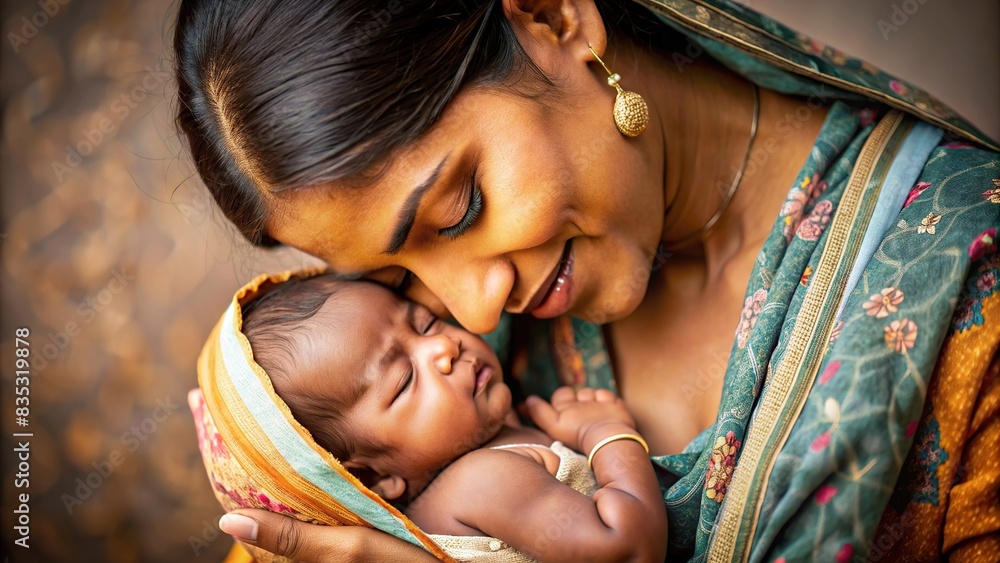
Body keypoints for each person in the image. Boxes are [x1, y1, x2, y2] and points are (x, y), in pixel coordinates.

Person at [173, 0, 1000, 560]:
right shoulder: (388, 380)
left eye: (459, 209)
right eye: (391, 276)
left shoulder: (969, 289)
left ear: (553, 16)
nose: (470, 308)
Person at [193, 271, 667, 562]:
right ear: (372, 479)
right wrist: (607, 433)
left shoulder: (480, 458)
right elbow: (628, 549)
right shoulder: (484, 481)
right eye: (404, 380)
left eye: (423, 322)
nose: (443, 347)